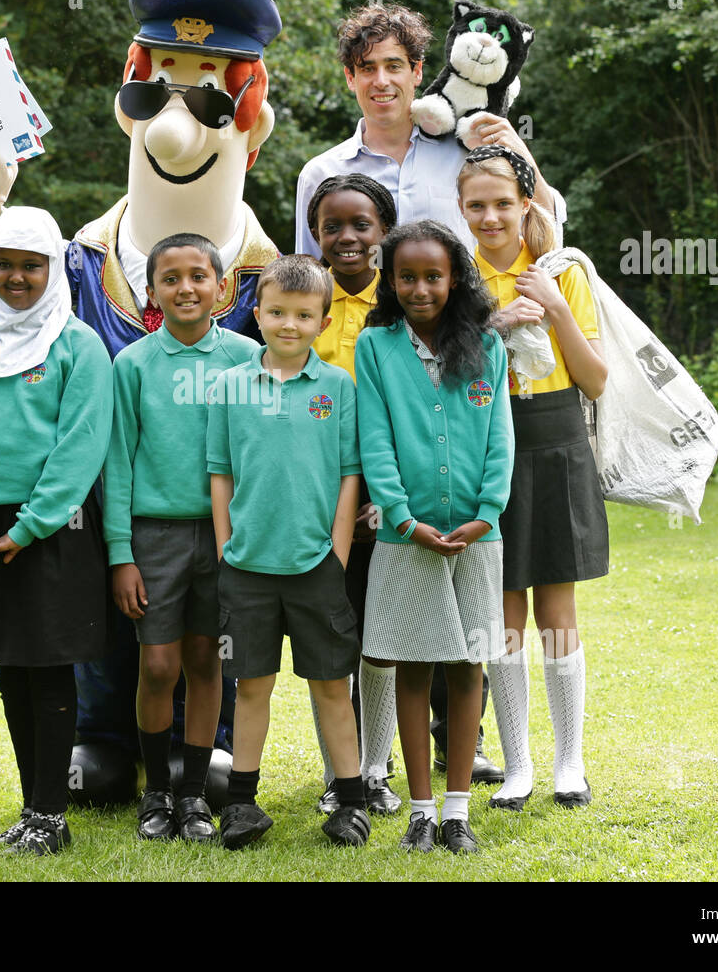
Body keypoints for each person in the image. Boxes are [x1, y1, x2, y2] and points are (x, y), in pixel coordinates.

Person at [0, 0, 285, 785]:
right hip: (101, 491)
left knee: (209, 623)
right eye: (155, 94)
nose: (176, 125)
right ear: (127, 105)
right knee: (102, 611)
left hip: (215, 497)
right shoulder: (80, 260)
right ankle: (103, 732)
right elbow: (12, 288)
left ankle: (198, 743)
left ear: (249, 117)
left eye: (209, 98)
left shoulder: (265, 278)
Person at [295, 1, 567, 782]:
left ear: (422, 72)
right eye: (366, 68)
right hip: (363, 395)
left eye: (396, 66)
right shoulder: (322, 172)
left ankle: (462, 743)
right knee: (372, 585)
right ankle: (363, 757)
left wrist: (517, 151)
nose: (382, 81)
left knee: (460, 576)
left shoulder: (458, 148)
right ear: (349, 79)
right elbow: (307, 279)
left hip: (461, 389)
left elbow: (540, 219)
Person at [0, 206, 113, 854]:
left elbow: (79, 449)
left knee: (50, 667)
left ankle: (51, 818)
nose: (16, 277)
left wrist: (27, 529)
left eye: (31, 265)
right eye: (4, 264)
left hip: (52, 530)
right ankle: (33, 808)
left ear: (54, 268)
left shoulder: (78, 346)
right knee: (11, 668)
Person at [457, 145, 607, 811]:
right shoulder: (454, 282)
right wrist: (493, 325)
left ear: (526, 205)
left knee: (557, 611)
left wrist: (554, 309)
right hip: (489, 446)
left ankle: (568, 764)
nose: (491, 217)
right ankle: (517, 768)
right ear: (461, 212)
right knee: (500, 614)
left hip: (556, 440)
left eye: (502, 204)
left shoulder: (561, 272)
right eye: (476, 206)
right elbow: (443, 375)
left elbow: (597, 379)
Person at [356, 220, 513, 853]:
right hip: (406, 538)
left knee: (467, 663)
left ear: (455, 278)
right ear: (390, 283)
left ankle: (456, 812)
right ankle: (420, 811)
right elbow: (375, 440)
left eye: (434, 277)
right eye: (407, 278)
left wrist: (487, 511)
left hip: (478, 536)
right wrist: (403, 519)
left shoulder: (487, 348)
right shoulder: (376, 347)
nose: (421, 289)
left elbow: (501, 437)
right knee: (414, 667)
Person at [207, 255, 369, 850]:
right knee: (251, 686)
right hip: (247, 568)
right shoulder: (229, 386)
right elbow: (219, 473)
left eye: (304, 315)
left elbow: (351, 474)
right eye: (277, 312)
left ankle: (350, 801)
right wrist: (227, 549)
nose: (289, 325)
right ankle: (243, 804)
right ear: (258, 313)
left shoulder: (338, 387)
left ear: (324, 321)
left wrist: (339, 554)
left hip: (316, 566)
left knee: (331, 684)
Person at [104, 233, 257, 843]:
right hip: (154, 536)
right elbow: (116, 463)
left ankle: (194, 793)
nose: (186, 287)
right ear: (151, 291)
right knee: (159, 663)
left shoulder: (248, 359)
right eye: (171, 278)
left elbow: (258, 454)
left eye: (199, 276)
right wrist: (120, 554)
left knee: (206, 661)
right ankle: (156, 793)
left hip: (224, 538)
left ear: (222, 288)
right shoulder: (133, 365)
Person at [304, 173, 402, 816]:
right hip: (316, 492)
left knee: (382, 637)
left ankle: (377, 770)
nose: (346, 237)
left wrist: (384, 495)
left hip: (390, 489)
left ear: (383, 232)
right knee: (326, 637)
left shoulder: (402, 303)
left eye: (360, 224)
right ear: (314, 235)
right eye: (331, 226)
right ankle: (338, 771)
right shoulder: (300, 300)